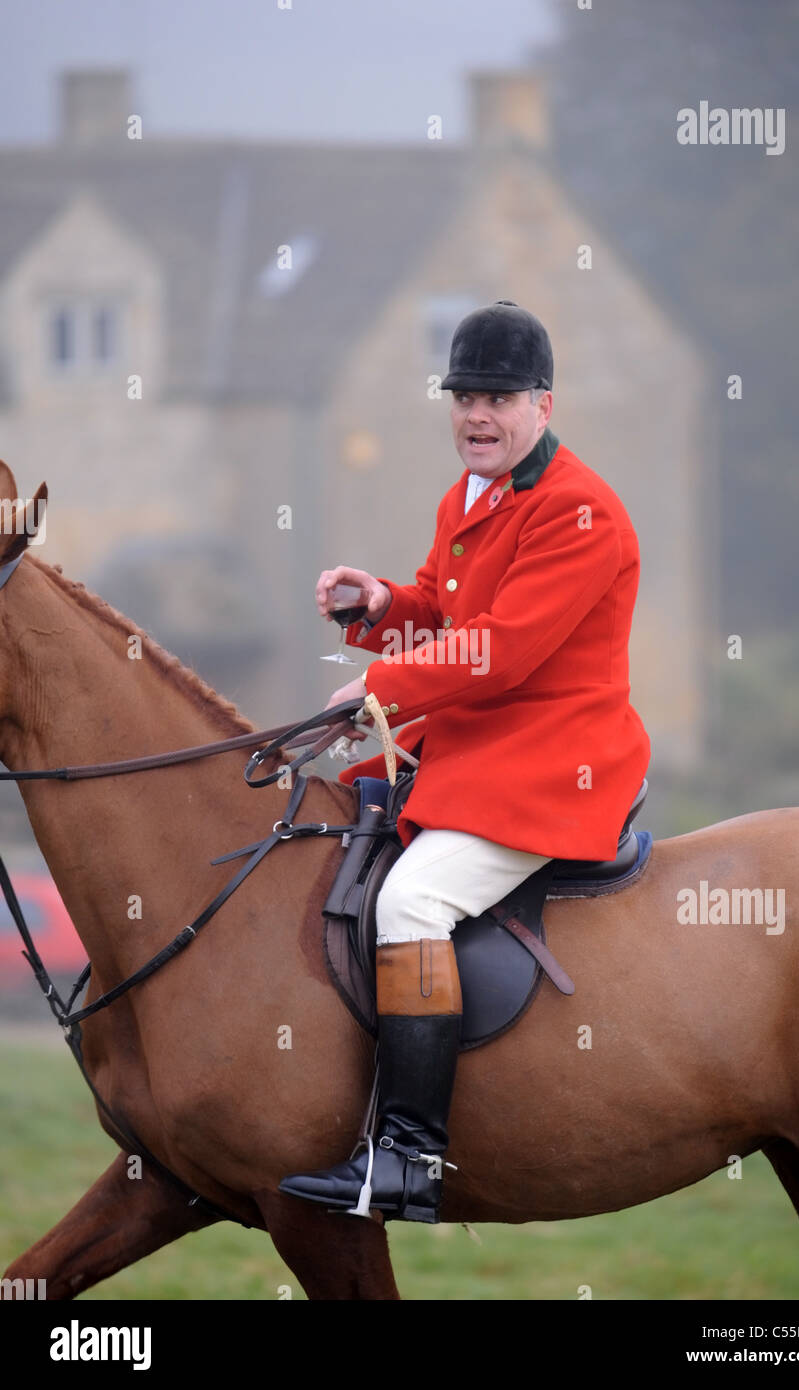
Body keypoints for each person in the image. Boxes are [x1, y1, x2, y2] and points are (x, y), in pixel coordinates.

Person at [279, 300, 650, 1222]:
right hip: (479, 748)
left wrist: (377, 694)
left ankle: (410, 1155)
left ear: (542, 403)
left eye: (498, 398)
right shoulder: (470, 498)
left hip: (553, 763)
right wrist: (377, 606)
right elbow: (447, 620)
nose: (476, 415)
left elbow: (503, 650)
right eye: (464, 396)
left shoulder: (579, 511)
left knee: (412, 900)